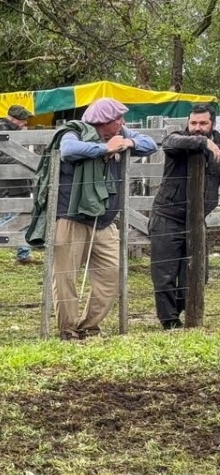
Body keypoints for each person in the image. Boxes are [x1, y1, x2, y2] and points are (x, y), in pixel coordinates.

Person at [37, 97, 156, 340]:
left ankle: (89, 326)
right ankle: (68, 330)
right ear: (103, 122)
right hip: (71, 217)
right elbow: (69, 151)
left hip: (105, 220)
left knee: (110, 276)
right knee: (65, 277)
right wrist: (106, 148)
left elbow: (150, 144)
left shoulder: (121, 132)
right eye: (117, 119)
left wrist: (127, 142)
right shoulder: (73, 132)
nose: (123, 122)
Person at [149, 103, 220, 329]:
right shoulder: (178, 139)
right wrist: (203, 142)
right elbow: (169, 143)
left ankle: (187, 314)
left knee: (198, 272)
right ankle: (169, 323)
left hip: (197, 221)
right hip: (167, 216)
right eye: (193, 123)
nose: (197, 128)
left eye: (203, 123)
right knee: (165, 274)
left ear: (213, 124)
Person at [0, 105, 36, 263]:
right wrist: (28, 161)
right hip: (8, 185)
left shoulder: (14, 132)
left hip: (19, 183)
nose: (24, 124)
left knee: (22, 218)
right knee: (12, 219)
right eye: (23, 121)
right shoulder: (1, 131)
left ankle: (23, 254)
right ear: (13, 119)